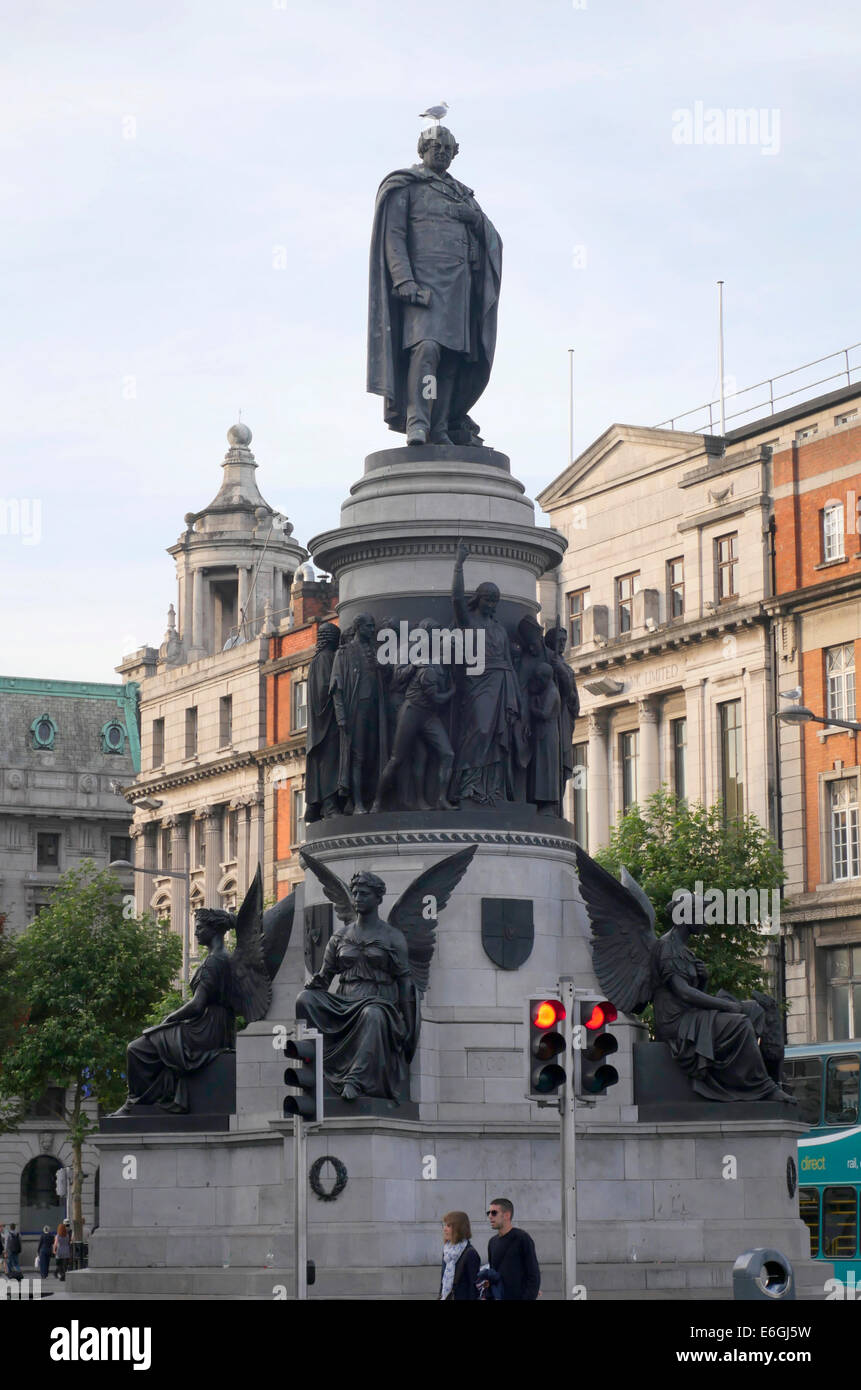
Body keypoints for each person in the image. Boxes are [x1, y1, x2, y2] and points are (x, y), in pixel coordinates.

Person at [367, 125, 502, 447]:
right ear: (422, 150)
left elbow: (491, 237)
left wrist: (475, 219)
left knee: (453, 359)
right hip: (423, 285)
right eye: (434, 146)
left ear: (455, 153)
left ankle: (440, 426)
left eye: (446, 148)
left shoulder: (463, 194)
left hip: (459, 286)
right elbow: (394, 236)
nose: (440, 152)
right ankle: (418, 422)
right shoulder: (407, 185)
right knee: (427, 349)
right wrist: (404, 279)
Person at [485, 1198, 540, 1301]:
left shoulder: (522, 1238)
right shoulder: (492, 1242)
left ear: (507, 1215)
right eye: (488, 1213)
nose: (490, 1216)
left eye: (494, 1213)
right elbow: (493, 1274)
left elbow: (533, 1275)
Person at [439, 1211, 480, 1301]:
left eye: (448, 1226)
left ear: (459, 1228)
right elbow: (443, 1282)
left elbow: (473, 1287)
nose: (445, 1229)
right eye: (444, 1225)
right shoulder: (447, 1251)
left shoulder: (470, 1253)